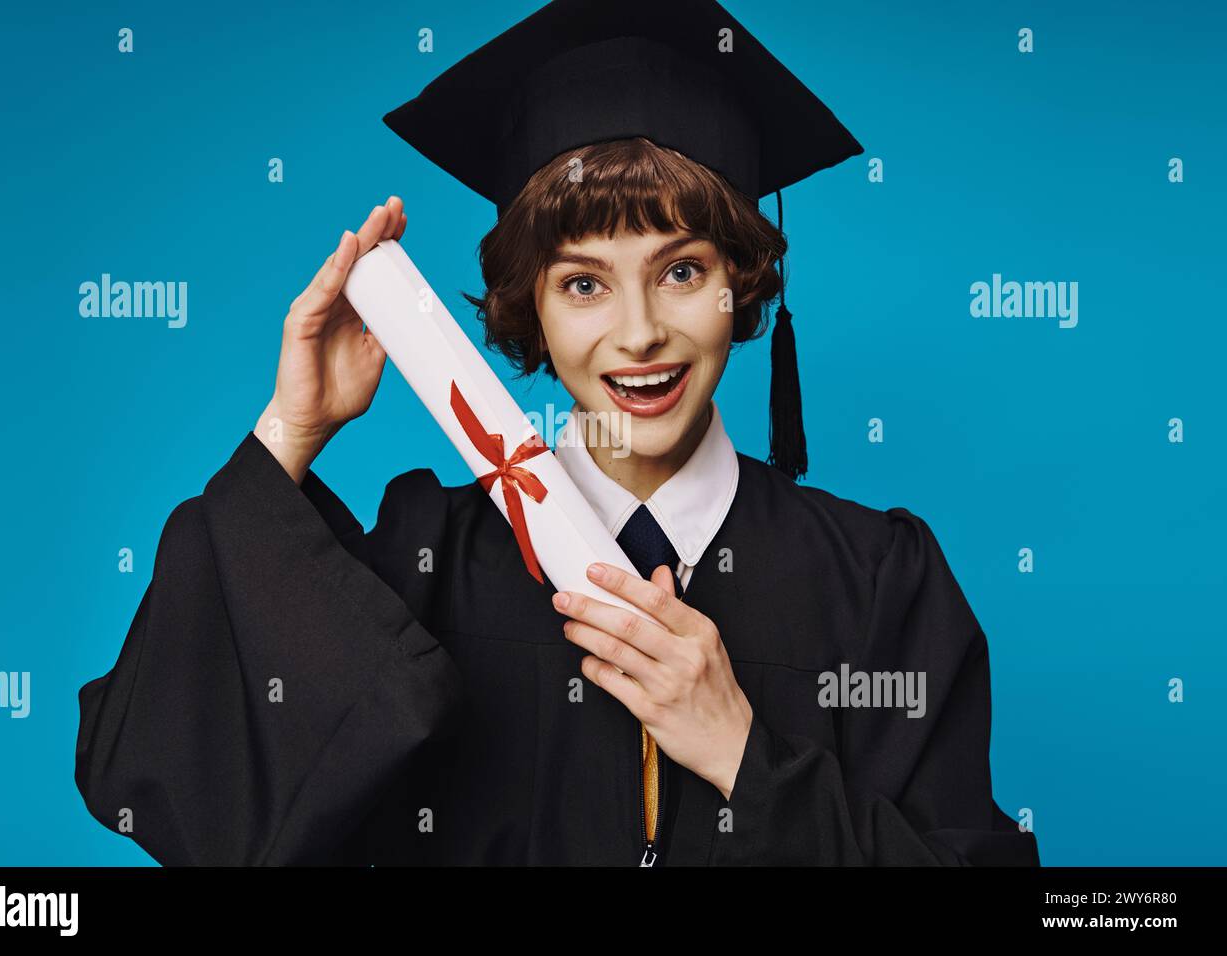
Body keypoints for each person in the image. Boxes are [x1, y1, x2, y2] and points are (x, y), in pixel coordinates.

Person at [74, 0, 1039, 867]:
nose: (639, 332)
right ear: (528, 305)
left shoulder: (880, 583)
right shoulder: (428, 557)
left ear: (740, 283)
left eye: (682, 269)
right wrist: (291, 430)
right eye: (584, 282)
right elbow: (167, 782)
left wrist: (744, 755)